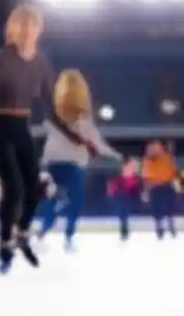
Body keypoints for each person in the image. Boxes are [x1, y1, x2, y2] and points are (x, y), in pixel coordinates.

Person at [0, 4, 90, 273]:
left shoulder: (40, 62)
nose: (27, 31)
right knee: (14, 188)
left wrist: (74, 136)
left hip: (22, 129)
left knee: (34, 188)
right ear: (13, 29)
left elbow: (50, 107)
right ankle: (4, 244)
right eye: (22, 26)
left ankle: (22, 233)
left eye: (32, 26)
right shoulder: (1, 59)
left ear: (39, 30)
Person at [37, 69, 122, 251]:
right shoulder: (81, 118)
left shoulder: (55, 115)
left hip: (52, 162)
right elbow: (97, 143)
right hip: (71, 164)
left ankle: (43, 232)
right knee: (75, 199)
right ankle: (67, 236)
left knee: (54, 199)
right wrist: (117, 156)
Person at [142, 140, 179, 240]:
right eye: (152, 148)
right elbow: (146, 176)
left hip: (167, 185)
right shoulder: (148, 161)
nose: (154, 150)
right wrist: (146, 190)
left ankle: (170, 225)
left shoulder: (168, 158)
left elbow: (173, 172)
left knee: (170, 207)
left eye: (157, 147)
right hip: (155, 187)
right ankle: (160, 227)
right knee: (157, 209)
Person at [108, 160, 142, 241]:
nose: (129, 169)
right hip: (121, 200)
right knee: (123, 210)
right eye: (127, 168)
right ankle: (124, 229)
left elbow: (138, 191)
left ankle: (124, 228)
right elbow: (112, 190)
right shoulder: (118, 179)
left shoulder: (136, 179)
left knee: (125, 206)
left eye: (131, 168)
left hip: (131, 200)